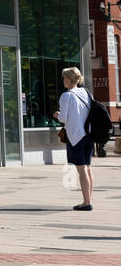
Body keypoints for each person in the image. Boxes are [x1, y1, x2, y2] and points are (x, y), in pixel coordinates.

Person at [53, 66, 94, 211]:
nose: (63, 80)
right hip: (89, 135)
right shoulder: (86, 93)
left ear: (70, 80)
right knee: (88, 169)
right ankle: (88, 199)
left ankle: (86, 203)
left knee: (81, 170)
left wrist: (56, 115)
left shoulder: (66, 96)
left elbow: (63, 119)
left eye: (65, 78)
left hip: (75, 136)